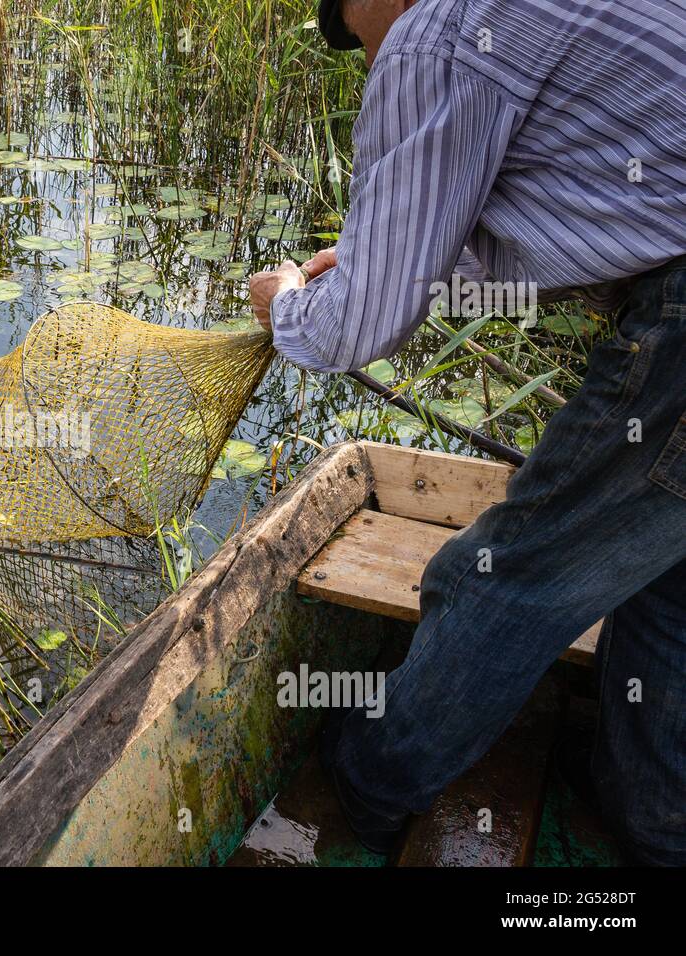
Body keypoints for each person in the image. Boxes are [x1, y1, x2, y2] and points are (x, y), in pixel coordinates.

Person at [247, 0, 686, 865]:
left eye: (355, 34)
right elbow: (576, 218)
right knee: (670, 590)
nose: (369, 59)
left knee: (508, 581)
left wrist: (287, 303)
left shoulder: (440, 28)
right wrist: (385, 260)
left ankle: (363, 786)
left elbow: (350, 332)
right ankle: (658, 827)